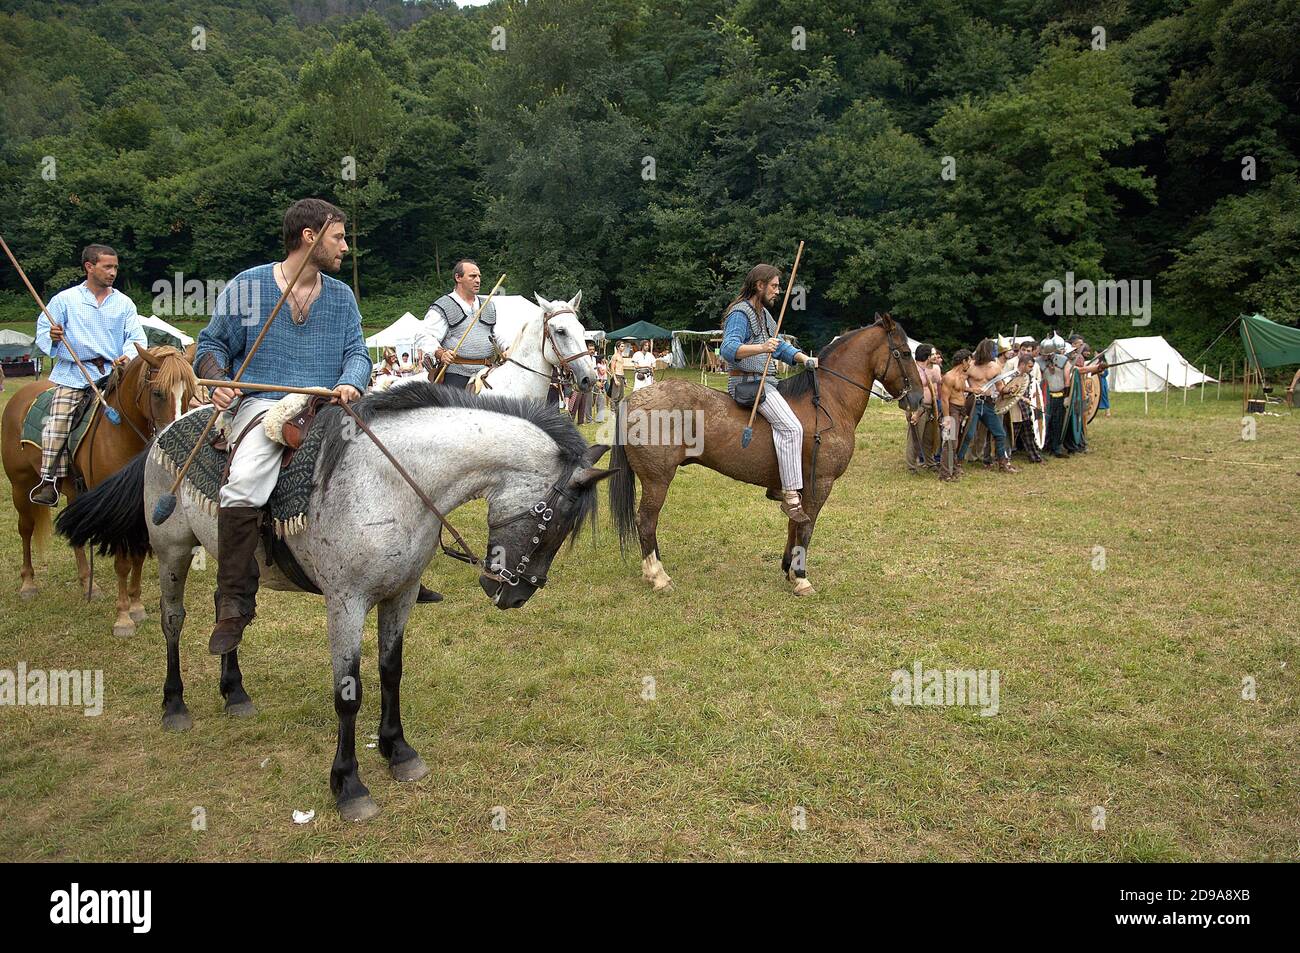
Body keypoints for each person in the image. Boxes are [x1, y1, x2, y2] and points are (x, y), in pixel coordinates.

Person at [194, 198, 374, 656]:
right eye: (339, 237)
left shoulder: (341, 296)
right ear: (309, 237)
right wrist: (219, 381)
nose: (345, 247)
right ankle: (234, 603)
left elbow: (358, 352)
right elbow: (211, 345)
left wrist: (350, 381)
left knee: (385, 461)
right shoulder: (248, 287)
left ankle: (394, 572)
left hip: (328, 404)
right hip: (266, 405)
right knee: (247, 480)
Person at [30, 243, 148, 506]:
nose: (113, 272)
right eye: (107, 266)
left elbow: (137, 337)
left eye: (115, 267)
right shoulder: (65, 300)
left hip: (113, 372)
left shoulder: (124, 303)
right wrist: (53, 336)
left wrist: (127, 356)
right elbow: (42, 331)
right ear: (89, 267)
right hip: (75, 373)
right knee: (58, 422)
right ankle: (49, 481)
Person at [720, 263, 819, 522]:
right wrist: (762, 347)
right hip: (748, 384)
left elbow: (779, 347)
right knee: (792, 428)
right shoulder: (740, 313)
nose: (778, 291)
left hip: (767, 382)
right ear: (759, 285)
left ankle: (776, 480)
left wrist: (803, 359)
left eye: (778, 286)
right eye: (774, 286)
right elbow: (728, 350)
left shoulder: (764, 315)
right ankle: (790, 496)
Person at [417, 259, 499, 390]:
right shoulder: (444, 305)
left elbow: (497, 335)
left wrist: (506, 348)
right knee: (453, 408)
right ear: (458, 277)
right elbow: (424, 335)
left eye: (479, 276)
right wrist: (440, 353)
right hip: (457, 372)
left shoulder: (488, 305)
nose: (478, 280)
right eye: (472, 276)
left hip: (488, 371)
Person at [956, 338, 1018, 473]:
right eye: (993, 350)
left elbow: (1000, 387)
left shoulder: (995, 367)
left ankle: (1002, 464)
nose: (996, 353)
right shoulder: (970, 366)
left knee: (1000, 433)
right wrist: (972, 390)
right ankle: (958, 463)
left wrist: (1010, 390)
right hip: (974, 403)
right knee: (968, 434)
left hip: (989, 403)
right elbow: (958, 385)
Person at [938, 349, 972, 481]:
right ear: (963, 361)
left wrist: (972, 389)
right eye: (968, 361)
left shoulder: (962, 376)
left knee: (955, 441)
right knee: (949, 442)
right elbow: (944, 399)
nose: (969, 364)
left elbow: (961, 390)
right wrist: (946, 418)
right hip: (951, 410)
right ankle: (945, 474)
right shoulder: (949, 377)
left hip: (960, 410)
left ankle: (953, 468)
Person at [906, 344, 940, 473]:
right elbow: (910, 392)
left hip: (931, 407)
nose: (935, 356)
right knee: (915, 438)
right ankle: (911, 467)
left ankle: (930, 463)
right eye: (932, 354)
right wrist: (914, 411)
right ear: (926, 355)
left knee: (929, 438)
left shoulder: (929, 369)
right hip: (918, 407)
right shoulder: (913, 370)